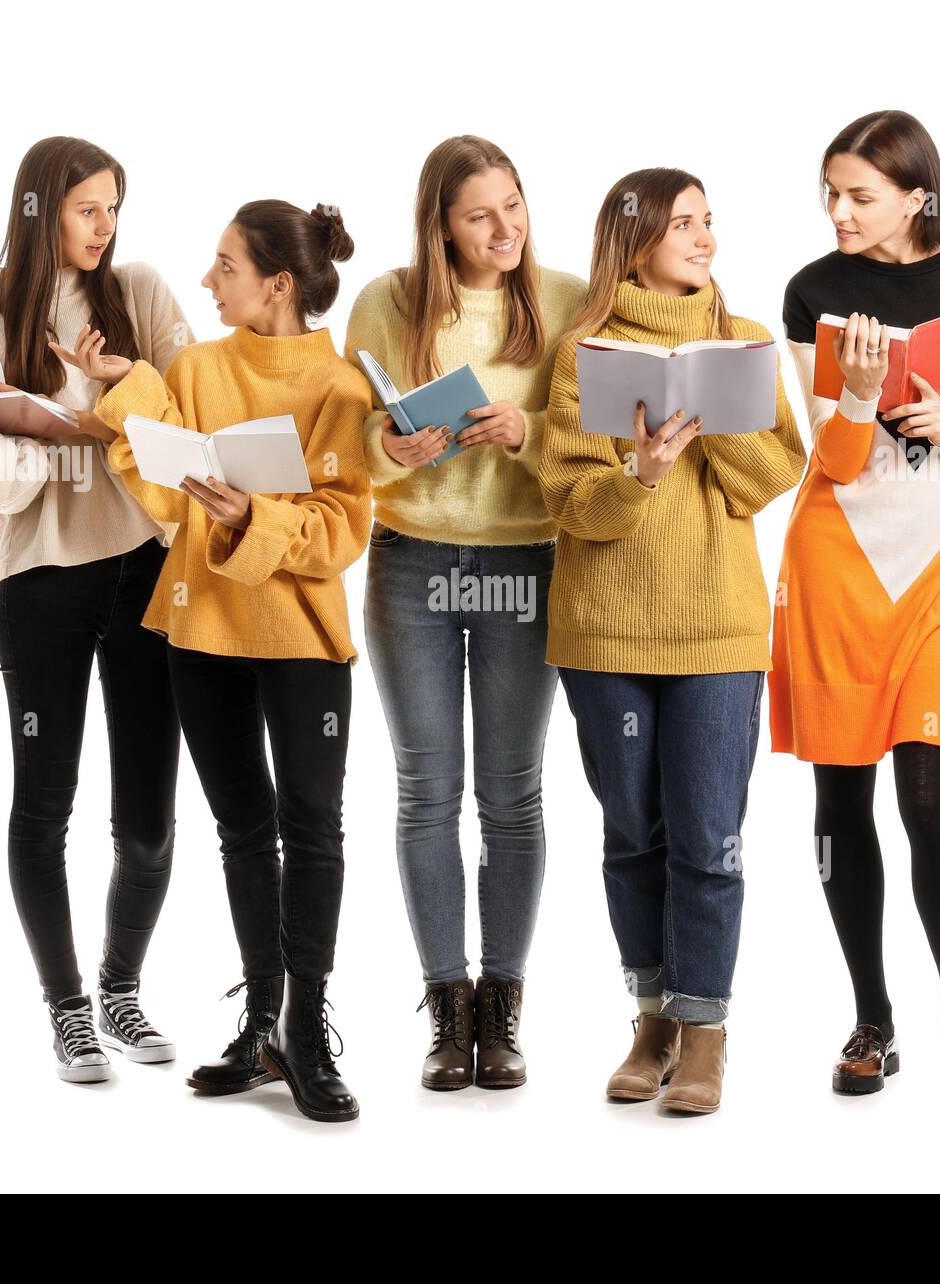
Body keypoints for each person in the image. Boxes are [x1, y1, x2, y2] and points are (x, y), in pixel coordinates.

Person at [771, 109, 940, 1096]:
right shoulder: (814, 292)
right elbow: (836, 461)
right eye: (830, 195)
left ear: (915, 196)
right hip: (839, 563)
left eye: (859, 196)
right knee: (840, 797)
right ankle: (869, 1020)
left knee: (928, 793)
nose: (838, 213)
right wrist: (857, 396)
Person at [89, 199, 371, 1122]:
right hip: (202, 630)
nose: (207, 281)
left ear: (278, 285)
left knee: (314, 830)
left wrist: (257, 519)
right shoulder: (196, 369)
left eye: (225, 266)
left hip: (302, 638)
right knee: (244, 831)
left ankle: (305, 1028)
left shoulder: (341, 387)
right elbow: (167, 498)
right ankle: (261, 1024)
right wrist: (129, 387)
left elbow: (341, 531)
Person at [539, 167, 805, 1113]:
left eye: (707, 220)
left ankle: (706, 1032)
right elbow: (568, 501)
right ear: (637, 238)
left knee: (708, 835)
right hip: (604, 632)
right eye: (683, 223)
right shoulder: (583, 354)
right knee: (632, 833)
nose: (704, 238)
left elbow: (773, 473)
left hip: (717, 631)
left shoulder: (745, 341)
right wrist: (642, 473)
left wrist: (705, 422)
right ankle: (651, 1018)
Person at [0, 135, 189, 1083]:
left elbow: (192, 424)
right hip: (41, 582)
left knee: (148, 821)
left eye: (114, 208)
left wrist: (106, 396)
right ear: (39, 210)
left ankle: (121, 988)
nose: (104, 226)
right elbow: (17, 484)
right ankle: (69, 1008)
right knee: (44, 804)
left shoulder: (142, 294)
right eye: (87, 209)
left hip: (147, 572)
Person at [345, 135, 586, 1090]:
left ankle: (503, 1006)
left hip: (525, 563)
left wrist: (527, 430)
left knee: (513, 796)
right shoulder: (386, 301)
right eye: (480, 215)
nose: (504, 229)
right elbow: (348, 439)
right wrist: (390, 447)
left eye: (513, 206)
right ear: (439, 225)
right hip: (412, 563)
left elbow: (591, 432)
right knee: (427, 792)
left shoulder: (565, 300)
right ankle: (447, 1010)